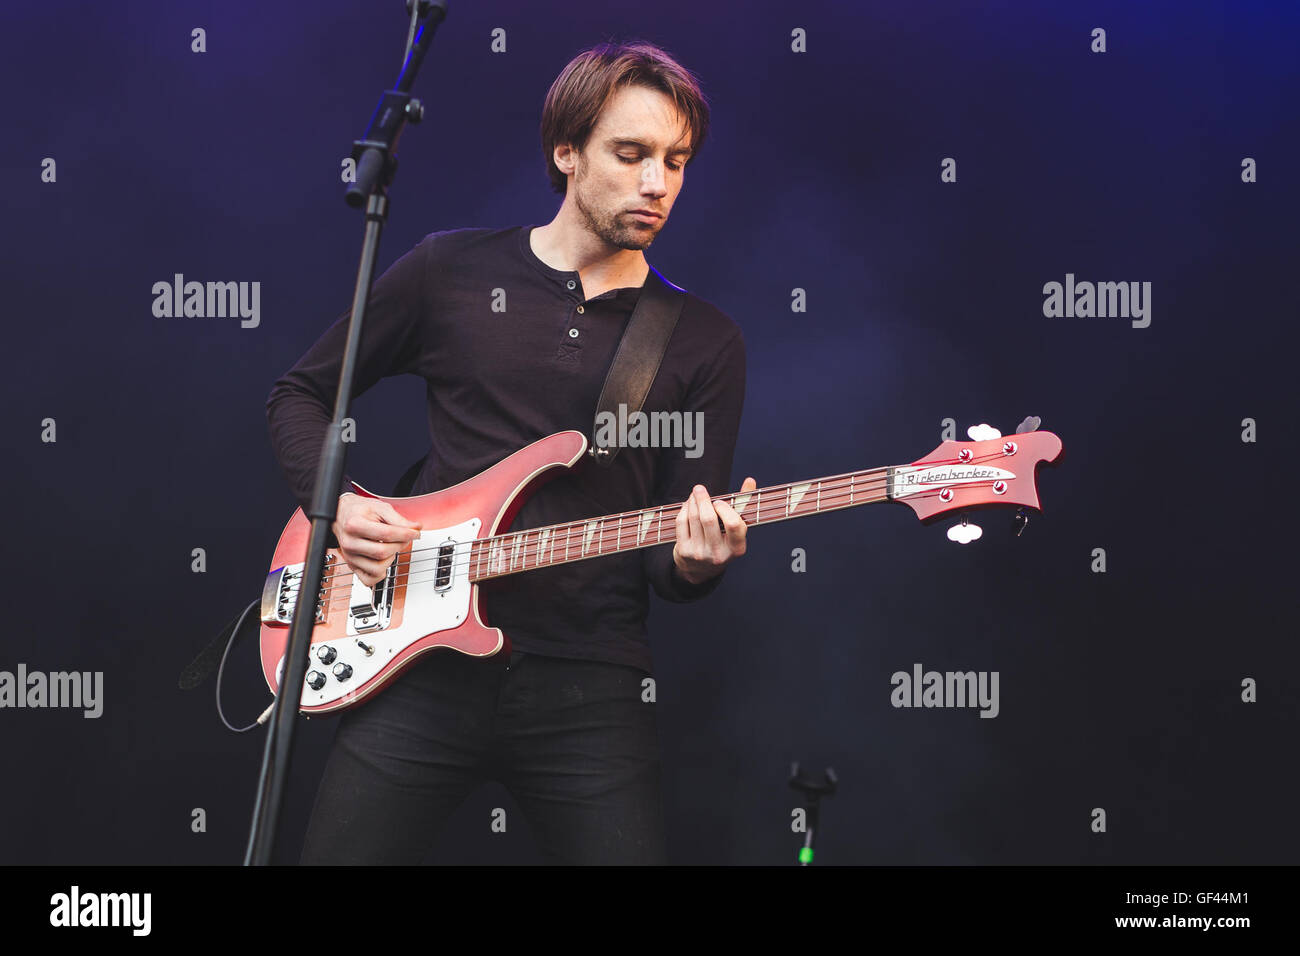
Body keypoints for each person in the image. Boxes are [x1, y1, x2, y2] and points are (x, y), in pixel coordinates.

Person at [266, 39, 753, 865]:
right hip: (417, 665)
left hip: (590, 682)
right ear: (566, 153)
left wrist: (700, 563)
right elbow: (301, 395)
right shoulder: (448, 271)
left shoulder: (702, 340)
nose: (656, 183)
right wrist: (340, 506)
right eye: (630, 154)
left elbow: (671, 565)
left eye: (675, 161)